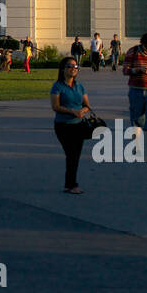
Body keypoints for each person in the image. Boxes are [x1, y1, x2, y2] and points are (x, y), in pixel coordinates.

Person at [51, 57, 93, 194]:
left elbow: (87, 105)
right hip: (63, 126)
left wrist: (82, 110)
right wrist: (71, 111)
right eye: (70, 66)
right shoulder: (57, 86)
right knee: (71, 154)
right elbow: (55, 107)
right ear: (63, 69)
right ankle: (71, 184)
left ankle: (70, 184)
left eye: (76, 67)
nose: (73, 69)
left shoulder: (80, 86)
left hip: (79, 125)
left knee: (75, 155)